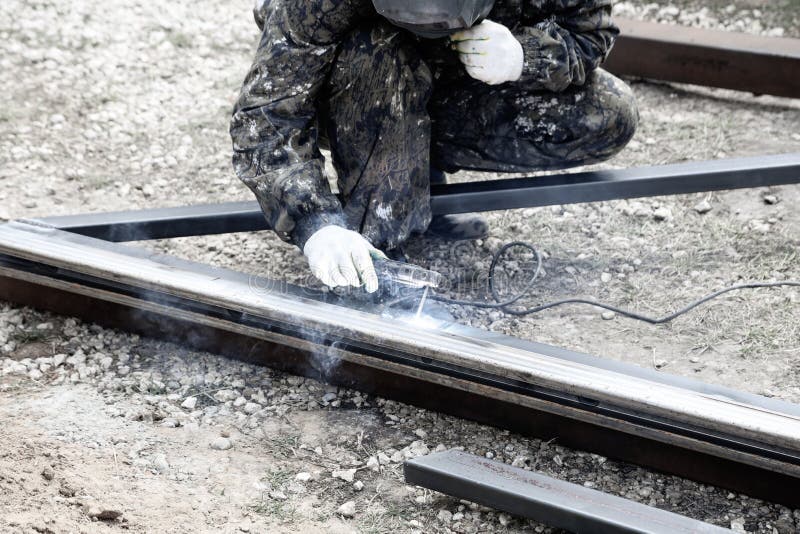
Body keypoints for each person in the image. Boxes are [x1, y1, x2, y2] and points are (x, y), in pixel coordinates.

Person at [230, 0, 638, 294]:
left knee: (607, 111)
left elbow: (589, 34)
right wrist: (313, 222)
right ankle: (376, 247)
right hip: (355, 93)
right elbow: (267, 113)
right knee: (370, 48)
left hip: (460, 92)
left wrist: (524, 55)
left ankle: (418, 182)